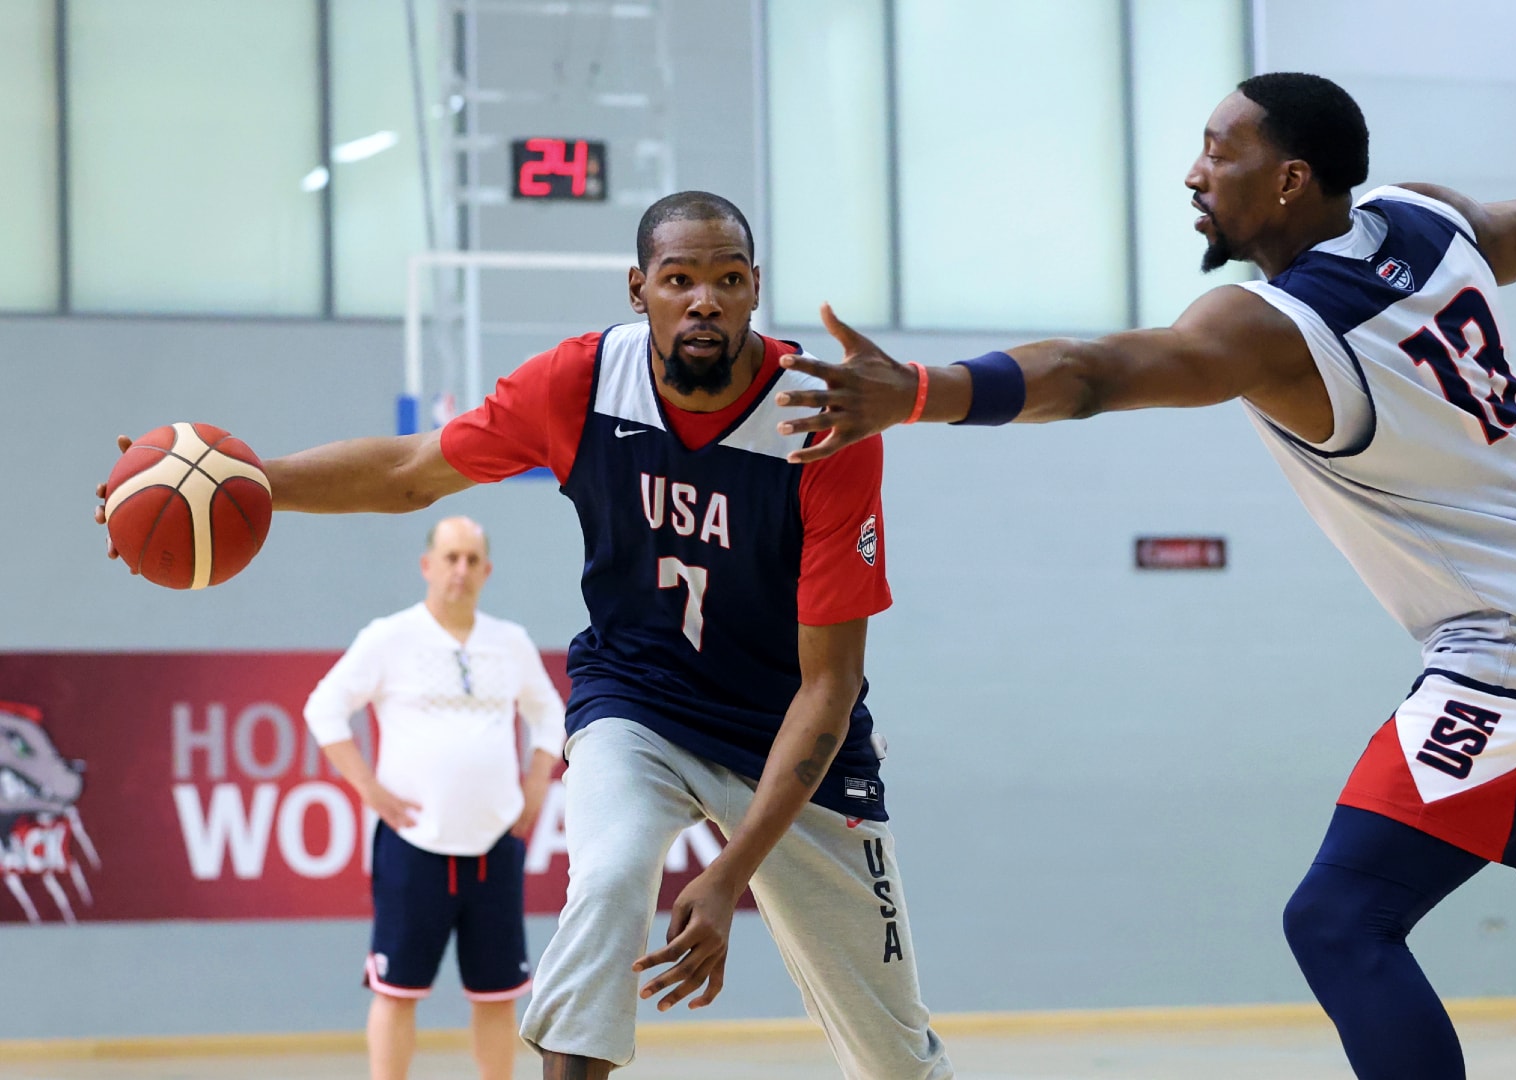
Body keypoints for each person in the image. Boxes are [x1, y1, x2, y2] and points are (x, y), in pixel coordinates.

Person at [773, 74, 1516, 1080]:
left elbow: (1092, 374)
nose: (1194, 173)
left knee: (1340, 920)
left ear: (1290, 179)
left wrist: (921, 390)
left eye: (1220, 153)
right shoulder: (1422, 218)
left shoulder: (1272, 326)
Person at [97, 191, 951, 1080]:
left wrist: (730, 873)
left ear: (755, 290)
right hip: (640, 703)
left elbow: (827, 687)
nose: (705, 299)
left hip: (784, 731)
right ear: (638, 290)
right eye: (679, 279)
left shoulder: (823, 422)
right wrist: (237, 482)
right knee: (607, 885)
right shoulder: (580, 384)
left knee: (894, 1061)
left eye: (728, 280)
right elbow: (408, 470)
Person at [303, 515, 565, 1080]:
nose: (460, 570)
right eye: (450, 558)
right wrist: (368, 787)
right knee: (396, 991)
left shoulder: (510, 643)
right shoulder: (389, 637)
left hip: (495, 846)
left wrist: (537, 779)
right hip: (412, 847)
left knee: (497, 995)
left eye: (472, 559)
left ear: (487, 571)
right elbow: (323, 708)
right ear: (427, 565)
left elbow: (551, 715)